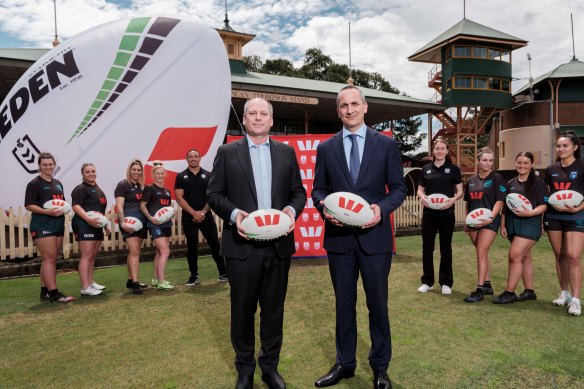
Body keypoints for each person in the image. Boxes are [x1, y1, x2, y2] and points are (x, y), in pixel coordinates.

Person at [312, 85, 407, 389]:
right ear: (338, 111)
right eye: (343, 105)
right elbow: (318, 190)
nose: (349, 110)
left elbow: (399, 188)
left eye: (355, 104)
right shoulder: (327, 148)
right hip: (339, 241)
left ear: (365, 107)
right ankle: (345, 364)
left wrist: (381, 209)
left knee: (377, 304)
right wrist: (322, 207)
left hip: (375, 240)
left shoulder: (386, 145)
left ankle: (380, 367)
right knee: (343, 305)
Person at [207, 97, 306, 389]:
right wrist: (236, 215)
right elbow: (214, 194)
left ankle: (269, 368)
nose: (258, 118)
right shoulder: (227, 152)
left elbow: (298, 193)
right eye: (253, 113)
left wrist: (290, 211)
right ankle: (245, 370)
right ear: (245, 119)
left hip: (278, 246)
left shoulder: (286, 153)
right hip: (241, 247)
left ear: (272, 120)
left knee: (274, 311)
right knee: (242, 311)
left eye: (264, 113)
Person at [494, 152, 548, 304]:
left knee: (514, 255)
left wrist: (530, 213)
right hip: (512, 223)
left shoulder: (538, 183)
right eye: (519, 162)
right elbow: (506, 205)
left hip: (530, 224)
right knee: (525, 257)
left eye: (525, 163)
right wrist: (503, 224)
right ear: (515, 163)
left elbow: (544, 205)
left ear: (531, 164)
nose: (522, 166)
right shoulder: (511, 183)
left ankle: (509, 293)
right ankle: (529, 291)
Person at [24, 152, 75, 303]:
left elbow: (61, 203)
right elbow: (29, 205)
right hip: (42, 224)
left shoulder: (58, 183)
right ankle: (54, 293)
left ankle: (44, 291)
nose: (48, 167)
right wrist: (47, 212)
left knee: (49, 259)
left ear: (54, 165)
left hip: (57, 224)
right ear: (39, 166)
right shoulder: (34, 184)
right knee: (49, 258)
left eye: (50, 164)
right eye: (44, 164)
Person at [544, 131, 584, 316]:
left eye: (565, 146)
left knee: (573, 256)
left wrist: (578, 208)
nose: (561, 149)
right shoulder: (551, 170)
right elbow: (548, 194)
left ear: (575, 147)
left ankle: (576, 300)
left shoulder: (582, 167)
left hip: (576, 217)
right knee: (560, 256)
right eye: (558, 146)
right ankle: (565, 293)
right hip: (554, 218)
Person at [416, 138, 463, 295]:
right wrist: (422, 197)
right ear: (433, 151)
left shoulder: (453, 169)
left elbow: (460, 192)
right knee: (427, 248)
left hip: (446, 213)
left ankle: (446, 282)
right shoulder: (426, 169)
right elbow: (420, 190)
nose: (440, 151)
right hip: (429, 214)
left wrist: (453, 200)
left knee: (445, 248)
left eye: (443, 148)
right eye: (437, 148)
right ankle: (427, 281)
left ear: (447, 151)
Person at [175, 149, 227, 286]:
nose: (193, 158)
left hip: (206, 216)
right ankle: (194, 276)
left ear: (200, 158)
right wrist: (194, 213)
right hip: (189, 218)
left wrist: (202, 212)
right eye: (190, 156)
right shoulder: (181, 176)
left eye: (196, 156)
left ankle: (223, 273)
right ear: (186, 159)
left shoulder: (209, 175)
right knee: (192, 247)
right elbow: (179, 198)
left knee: (215, 244)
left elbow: (212, 196)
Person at [463, 147, 506, 303]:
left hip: (489, 221)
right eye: (484, 160)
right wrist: (466, 221)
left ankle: (479, 289)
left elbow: (499, 201)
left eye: (490, 160)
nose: (488, 163)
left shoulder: (497, 178)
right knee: (481, 252)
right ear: (478, 161)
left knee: (481, 250)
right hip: (473, 221)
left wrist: (491, 217)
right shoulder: (471, 180)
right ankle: (487, 284)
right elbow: (468, 203)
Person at [71, 163, 110, 297]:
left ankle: (91, 282)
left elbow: (99, 211)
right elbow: (76, 206)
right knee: (86, 256)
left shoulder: (98, 189)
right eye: (87, 172)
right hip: (84, 224)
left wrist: (105, 225)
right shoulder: (80, 189)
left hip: (96, 225)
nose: (91, 173)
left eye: (93, 171)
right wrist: (88, 219)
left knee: (92, 256)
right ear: (82, 174)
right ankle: (85, 287)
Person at [115, 159, 148, 295]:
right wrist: (123, 223)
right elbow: (119, 207)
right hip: (128, 222)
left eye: (139, 170)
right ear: (129, 170)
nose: (136, 172)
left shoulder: (143, 187)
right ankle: (135, 283)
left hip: (142, 222)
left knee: (135, 252)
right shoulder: (122, 185)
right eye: (134, 169)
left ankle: (130, 279)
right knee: (134, 251)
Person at [140, 162, 175, 291]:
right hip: (155, 224)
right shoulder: (150, 188)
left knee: (159, 253)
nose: (160, 175)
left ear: (165, 174)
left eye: (162, 173)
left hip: (167, 224)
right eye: (157, 173)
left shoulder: (167, 190)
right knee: (165, 251)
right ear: (153, 175)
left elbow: (166, 207)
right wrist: (150, 218)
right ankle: (161, 281)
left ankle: (155, 279)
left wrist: (171, 213)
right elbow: (143, 206)